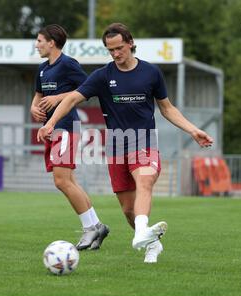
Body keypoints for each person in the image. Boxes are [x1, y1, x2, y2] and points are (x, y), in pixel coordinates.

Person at [37, 23, 213, 263]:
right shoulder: (102, 76)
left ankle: (142, 232)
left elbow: (167, 109)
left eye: (120, 48)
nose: (116, 54)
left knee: (145, 181)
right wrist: (50, 124)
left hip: (145, 141)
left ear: (130, 43)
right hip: (117, 146)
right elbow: (71, 99)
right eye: (111, 51)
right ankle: (150, 241)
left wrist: (193, 130)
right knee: (128, 210)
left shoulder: (151, 73)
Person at [31, 24, 109, 250]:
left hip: (66, 127)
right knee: (69, 181)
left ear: (51, 43)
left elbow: (87, 89)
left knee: (62, 180)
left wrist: (58, 98)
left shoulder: (68, 64)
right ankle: (97, 226)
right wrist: (33, 108)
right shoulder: (43, 69)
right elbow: (37, 95)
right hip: (51, 129)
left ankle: (89, 229)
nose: (36, 45)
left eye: (39, 41)